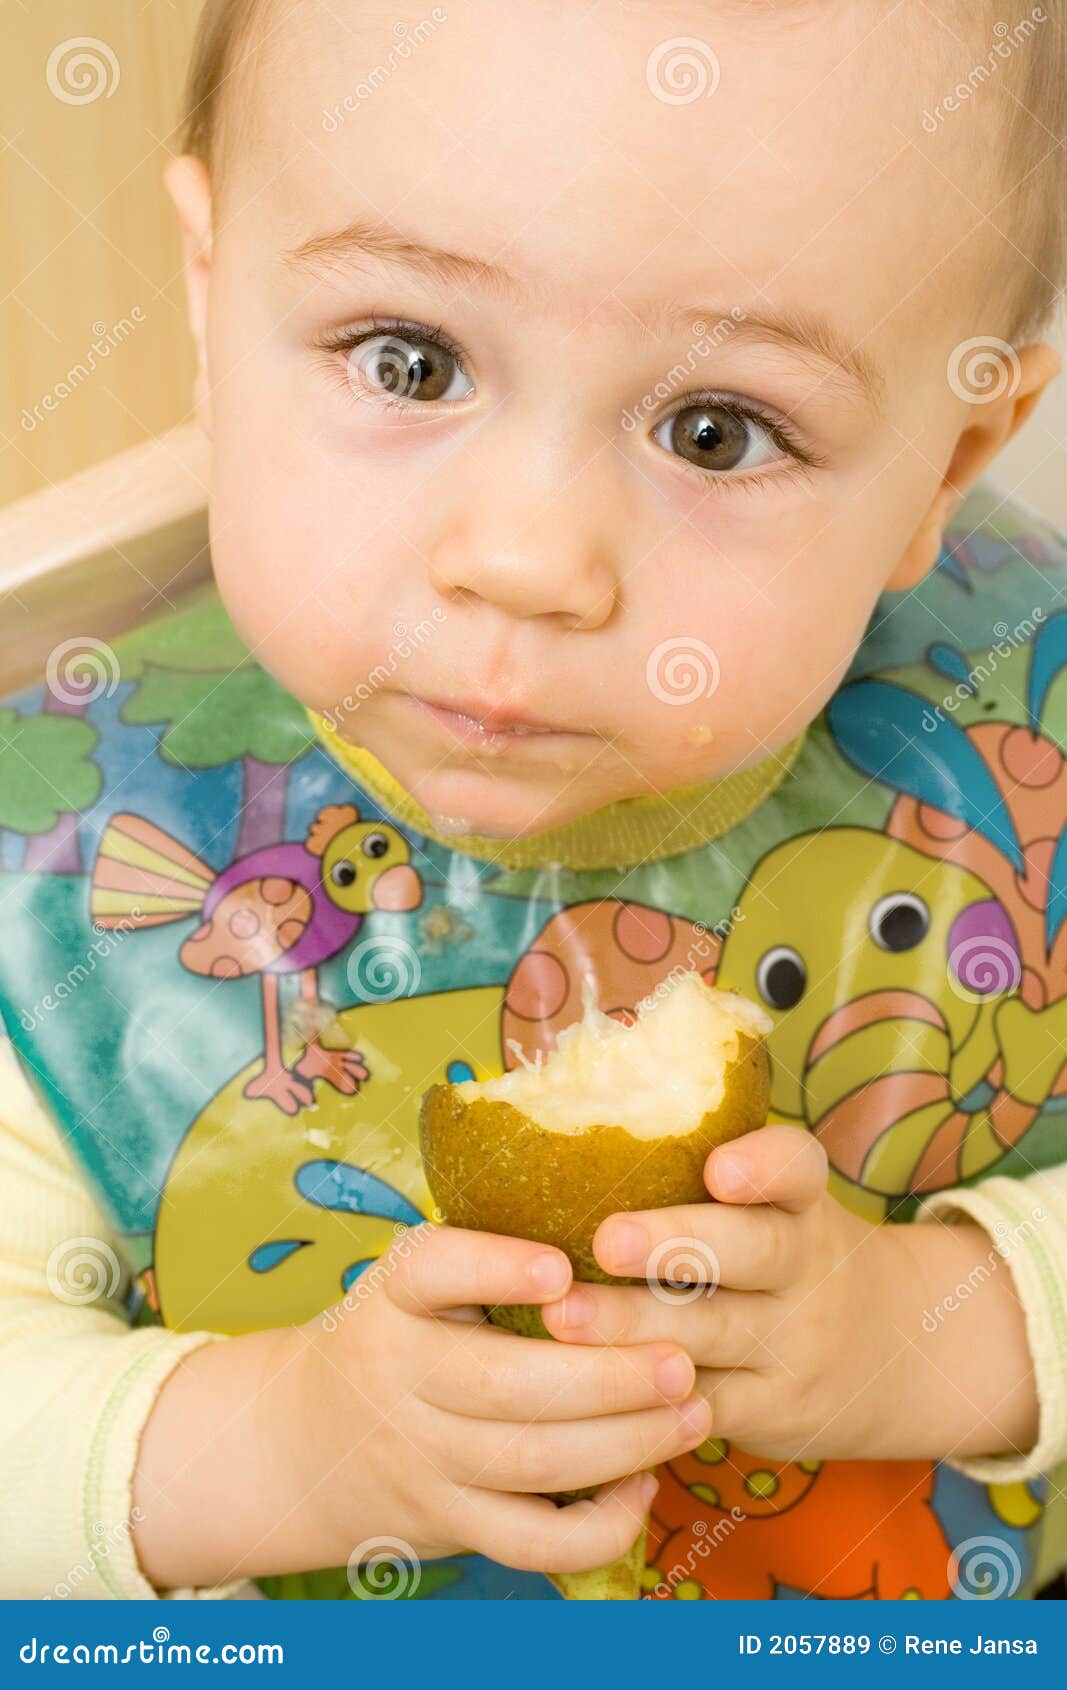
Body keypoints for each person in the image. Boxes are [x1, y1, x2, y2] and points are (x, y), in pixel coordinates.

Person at [0, 0, 1065, 1601]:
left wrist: (934, 1327)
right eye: (408, 359)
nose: (528, 557)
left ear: (948, 460)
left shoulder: (1019, 735)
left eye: (717, 431)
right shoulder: (64, 873)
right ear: (211, 304)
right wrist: (294, 1445)